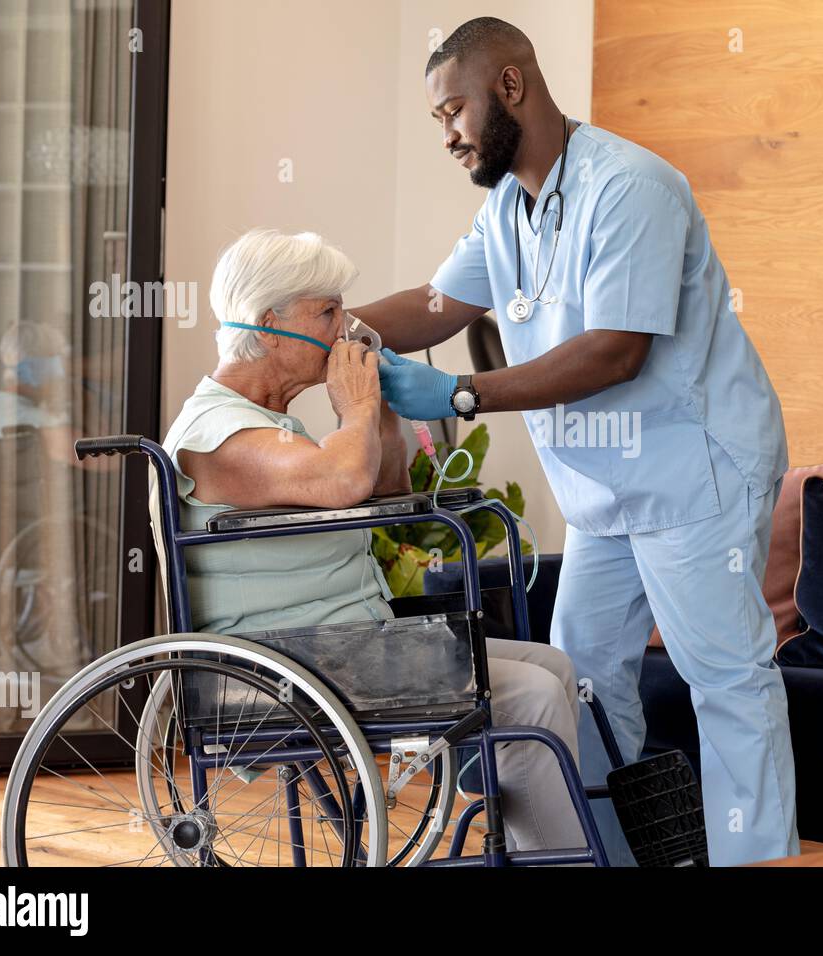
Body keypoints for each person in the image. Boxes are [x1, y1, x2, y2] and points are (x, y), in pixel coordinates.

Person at [349, 18, 798, 865]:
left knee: (728, 685)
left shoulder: (632, 188)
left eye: (453, 112)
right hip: (604, 497)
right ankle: (601, 858)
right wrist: (319, 332)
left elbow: (614, 352)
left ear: (510, 87)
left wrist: (461, 390)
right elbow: (439, 306)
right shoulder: (508, 208)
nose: (447, 136)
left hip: (691, 474)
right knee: (583, 684)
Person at [161, 228, 585, 853]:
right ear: (269, 323)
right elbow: (342, 480)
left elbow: (382, 483)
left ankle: (534, 848)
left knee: (553, 665)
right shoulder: (218, 433)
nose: (346, 327)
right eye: (328, 312)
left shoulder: (265, 423)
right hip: (288, 666)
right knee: (535, 694)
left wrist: (378, 404)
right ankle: (561, 861)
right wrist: (354, 410)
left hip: (335, 644)